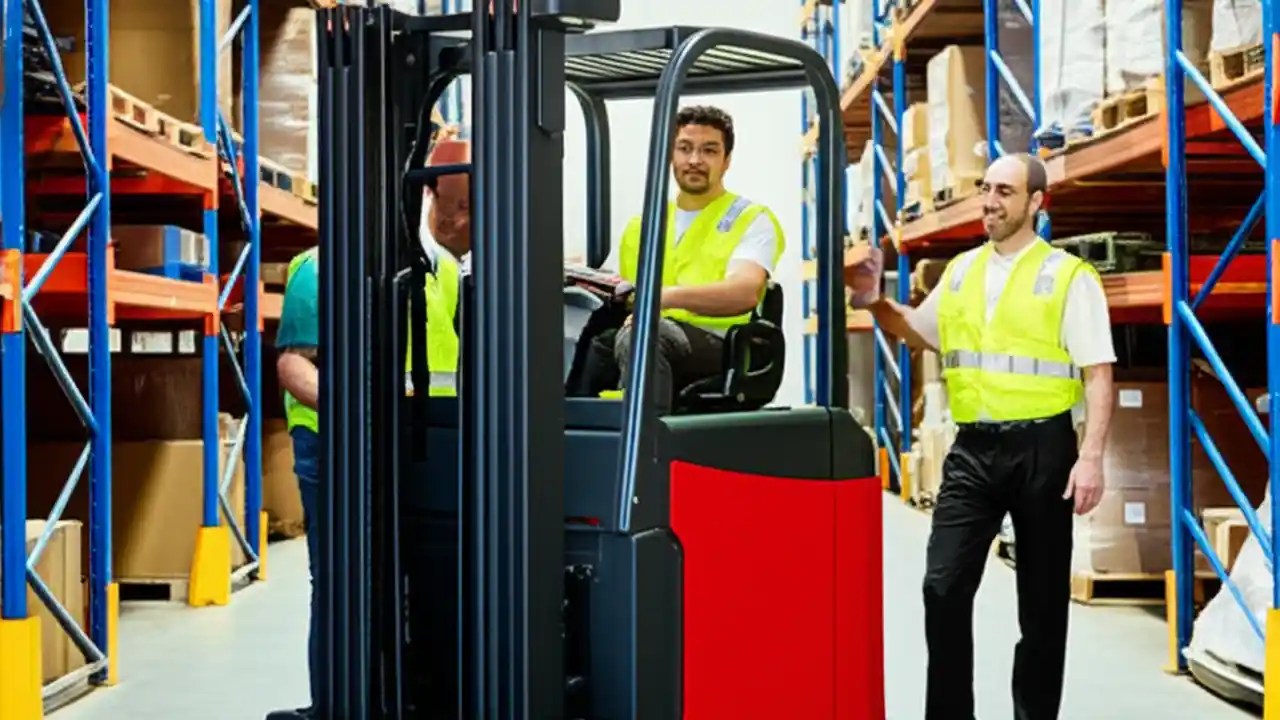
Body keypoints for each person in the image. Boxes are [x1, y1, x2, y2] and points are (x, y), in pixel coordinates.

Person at [847, 153, 1116, 720]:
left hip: (1044, 450)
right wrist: (875, 301)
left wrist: (1090, 458)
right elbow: (919, 332)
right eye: (985, 188)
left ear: (1036, 203)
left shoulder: (1068, 276)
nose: (990, 201)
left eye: (1005, 191)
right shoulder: (963, 269)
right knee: (941, 587)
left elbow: (1098, 372)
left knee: (1041, 607)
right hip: (973, 451)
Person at [266, 124, 471, 720]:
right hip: (337, 446)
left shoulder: (447, 274)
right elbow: (293, 367)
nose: (459, 221)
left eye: (468, 209)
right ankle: (336, 702)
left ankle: (411, 693)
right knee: (342, 582)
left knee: (421, 577)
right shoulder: (321, 265)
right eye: (451, 207)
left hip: (421, 445)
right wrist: (359, 414)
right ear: (421, 196)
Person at [576, 104, 785, 414]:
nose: (695, 160)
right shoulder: (643, 225)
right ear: (670, 156)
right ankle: (567, 442)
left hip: (720, 345)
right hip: (649, 333)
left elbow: (744, 292)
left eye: (709, 151)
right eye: (684, 149)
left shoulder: (750, 218)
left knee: (644, 335)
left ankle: (646, 446)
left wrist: (664, 299)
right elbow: (624, 291)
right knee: (580, 340)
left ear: (726, 161)